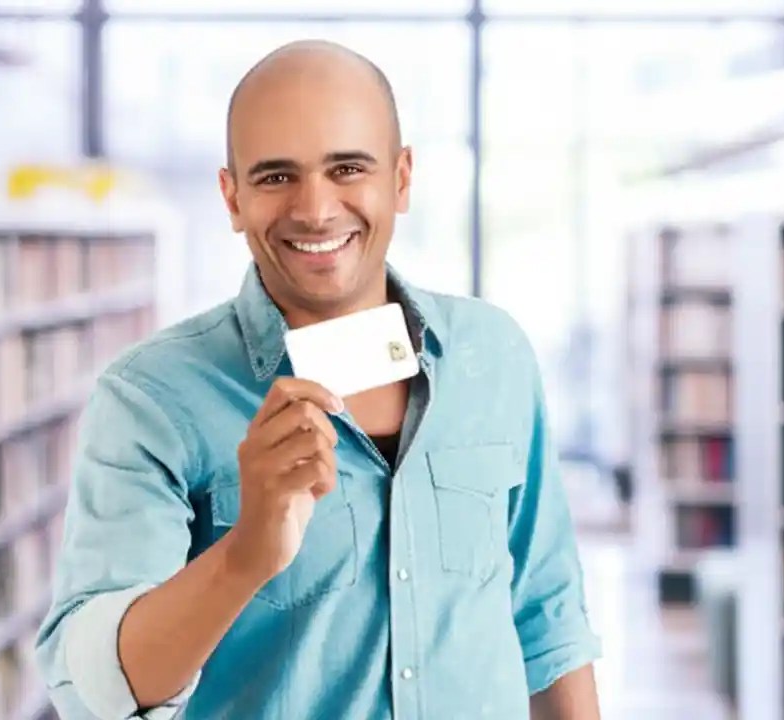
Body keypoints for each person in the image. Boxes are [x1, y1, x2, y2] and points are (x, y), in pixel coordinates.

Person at [34, 39, 603, 719]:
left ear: (401, 178)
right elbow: (97, 690)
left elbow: (548, 615)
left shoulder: (493, 354)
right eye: (276, 177)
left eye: (347, 168)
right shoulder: (150, 398)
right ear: (232, 196)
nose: (315, 209)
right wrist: (246, 553)